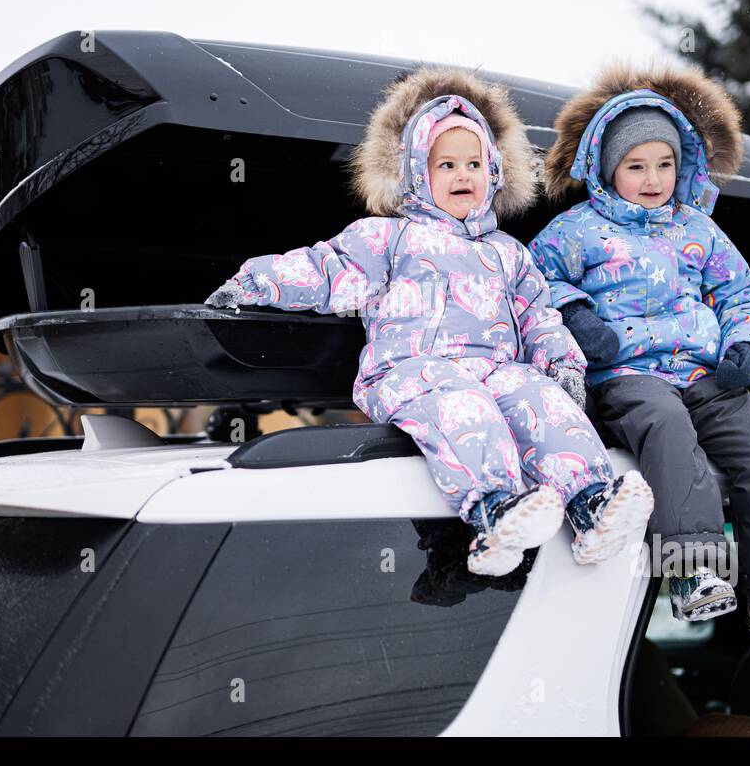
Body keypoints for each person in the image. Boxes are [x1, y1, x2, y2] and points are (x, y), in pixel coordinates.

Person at [207, 67, 652, 576]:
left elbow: (538, 315)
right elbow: (327, 269)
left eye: (474, 163)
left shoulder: (508, 253)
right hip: (413, 368)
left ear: (495, 173)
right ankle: (495, 510)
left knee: (538, 398)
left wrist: (560, 362)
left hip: (495, 368)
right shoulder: (389, 238)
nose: (463, 175)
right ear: (418, 173)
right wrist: (255, 281)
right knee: (464, 405)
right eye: (447, 165)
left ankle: (591, 505)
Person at [530, 63, 750, 656]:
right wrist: (580, 319)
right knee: (668, 433)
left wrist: (746, 344)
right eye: (636, 166)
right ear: (607, 167)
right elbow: (536, 282)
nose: (652, 178)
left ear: (682, 164)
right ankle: (692, 569)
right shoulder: (576, 230)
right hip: (629, 376)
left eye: (664, 164)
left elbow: (738, 294)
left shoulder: (700, 229)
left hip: (706, 376)